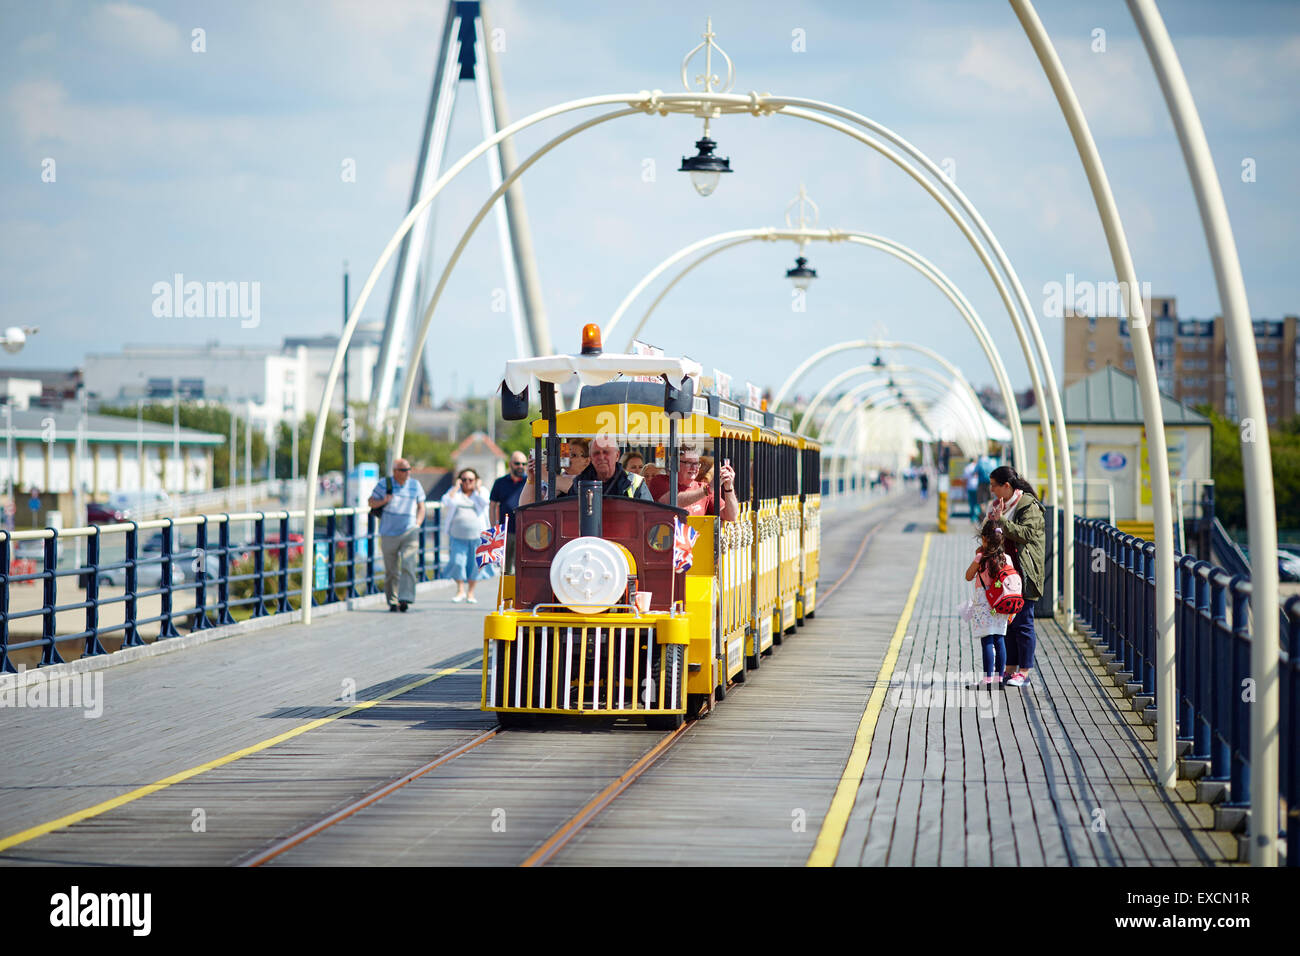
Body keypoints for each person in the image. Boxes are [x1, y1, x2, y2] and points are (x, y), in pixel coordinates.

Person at [987, 465, 1045, 687]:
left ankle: (1025, 670)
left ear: (1006, 486)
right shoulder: (999, 505)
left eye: (994, 485)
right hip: (1005, 573)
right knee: (1007, 622)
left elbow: (1027, 534)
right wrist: (991, 521)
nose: (991, 490)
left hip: (1025, 572)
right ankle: (1009, 668)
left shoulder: (1028, 506)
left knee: (1023, 623)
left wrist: (1001, 520)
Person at [518, 434, 654, 505]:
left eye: (574, 455)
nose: (568, 459)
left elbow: (577, 487)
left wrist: (546, 475)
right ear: (592, 457)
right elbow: (527, 508)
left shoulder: (634, 482)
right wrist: (531, 479)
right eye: (566, 455)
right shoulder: (554, 479)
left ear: (587, 460)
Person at [368, 458, 425, 612]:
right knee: (391, 570)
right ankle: (392, 600)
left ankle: (405, 598)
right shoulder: (384, 484)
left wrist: (417, 524)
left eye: (408, 469)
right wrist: (384, 501)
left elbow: (421, 506)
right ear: (395, 472)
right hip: (388, 532)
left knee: (409, 564)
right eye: (403, 470)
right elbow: (371, 502)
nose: (407, 473)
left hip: (409, 531)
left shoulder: (415, 485)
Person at [964, 518, 1015, 689]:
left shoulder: (981, 557)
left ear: (985, 539)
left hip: (984, 604)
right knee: (1000, 639)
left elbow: (968, 576)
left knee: (987, 640)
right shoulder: (1006, 559)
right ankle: (999, 679)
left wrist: (978, 558)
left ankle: (987, 680)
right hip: (1000, 604)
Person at [647, 444, 739, 521]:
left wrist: (729, 488)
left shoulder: (703, 488)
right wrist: (708, 488)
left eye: (696, 464)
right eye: (689, 463)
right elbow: (674, 501)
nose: (694, 468)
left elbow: (731, 516)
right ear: (676, 465)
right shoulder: (660, 481)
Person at [440, 468, 491, 603]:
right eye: (464, 480)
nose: (467, 482)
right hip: (457, 536)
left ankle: (471, 592)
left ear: (476, 481)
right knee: (457, 562)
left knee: (475, 565)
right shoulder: (455, 493)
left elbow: (485, 502)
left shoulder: (481, 492)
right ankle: (460, 589)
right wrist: (456, 488)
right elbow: (445, 501)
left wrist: (478, 488)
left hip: (477, 536)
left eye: (470, 480)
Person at [489, 451, 529, 573]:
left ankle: (519, 592)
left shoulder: (530, 483)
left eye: (524, 463)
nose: (521, 466)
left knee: (521, 569)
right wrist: (494, 528)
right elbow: (492, 506)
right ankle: (506, 592)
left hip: (524, 530)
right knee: (505, 569)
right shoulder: (500, 483)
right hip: (505, 531)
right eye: (517, 463)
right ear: (510, 464)